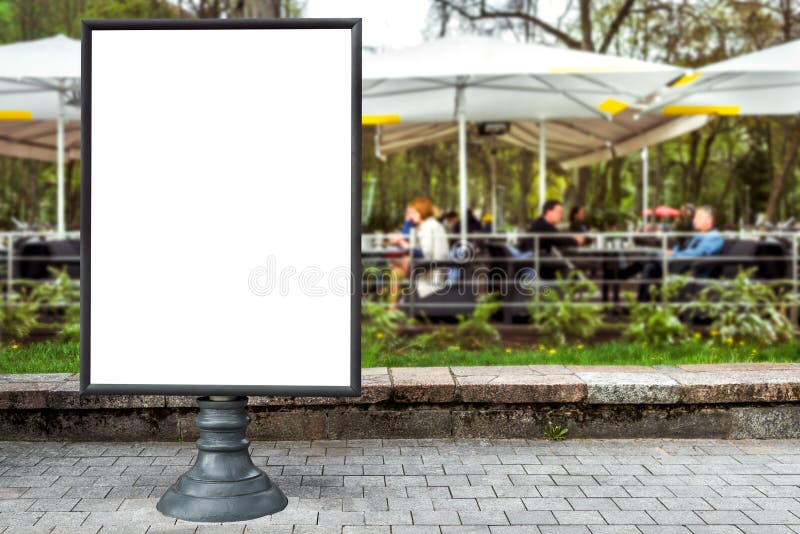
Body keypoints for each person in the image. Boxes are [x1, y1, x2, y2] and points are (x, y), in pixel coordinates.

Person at [632, 205, 724, 301]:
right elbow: (686, 250)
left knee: (651, 257)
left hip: (690, 270)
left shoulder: (714, 237)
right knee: (650, 266)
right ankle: (643, 305)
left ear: (709, 220)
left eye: (698, 217)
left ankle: (625, 274)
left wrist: (674, 254)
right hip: (681, 264)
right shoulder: (699, 235)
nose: (694, 220)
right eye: (695, 217)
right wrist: (674, 251)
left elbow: (698, 253)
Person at [387, 197, 450, 305]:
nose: (410, 216)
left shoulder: (427, 226)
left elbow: (425, 254)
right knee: (397, 268)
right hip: (435, 267)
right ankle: (395, 306)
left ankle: (392, 307)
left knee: (395, 269)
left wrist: (402, 243)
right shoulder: (432, 224)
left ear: (420, 212)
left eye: (412, 212)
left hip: (431, 270)